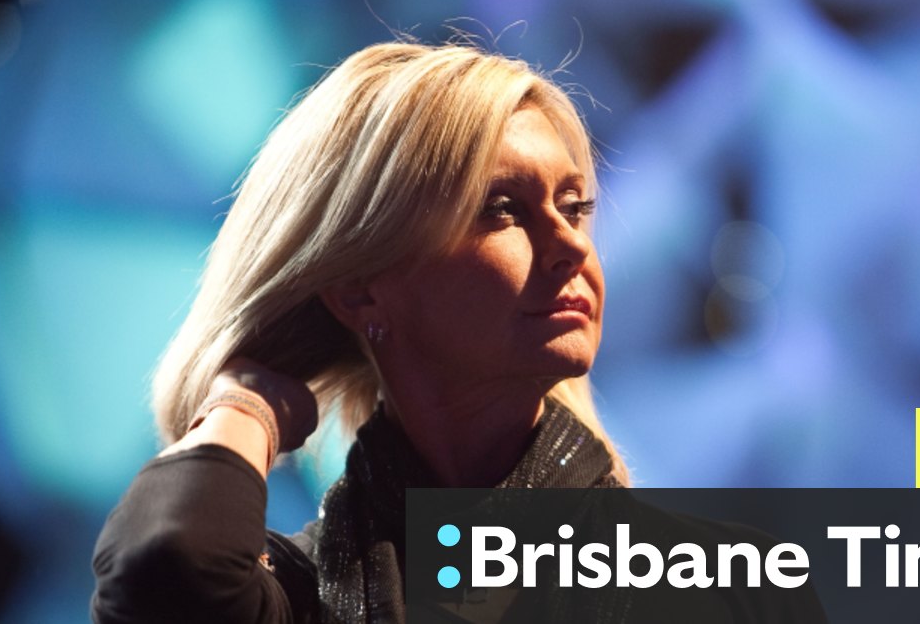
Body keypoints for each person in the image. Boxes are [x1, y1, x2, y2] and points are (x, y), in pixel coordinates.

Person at [91, 41, 827, 623]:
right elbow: (165, 566)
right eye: (502, 209)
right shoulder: (299, 594)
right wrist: (246, 401)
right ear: (358, 286)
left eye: (574, 207)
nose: (572, 245)